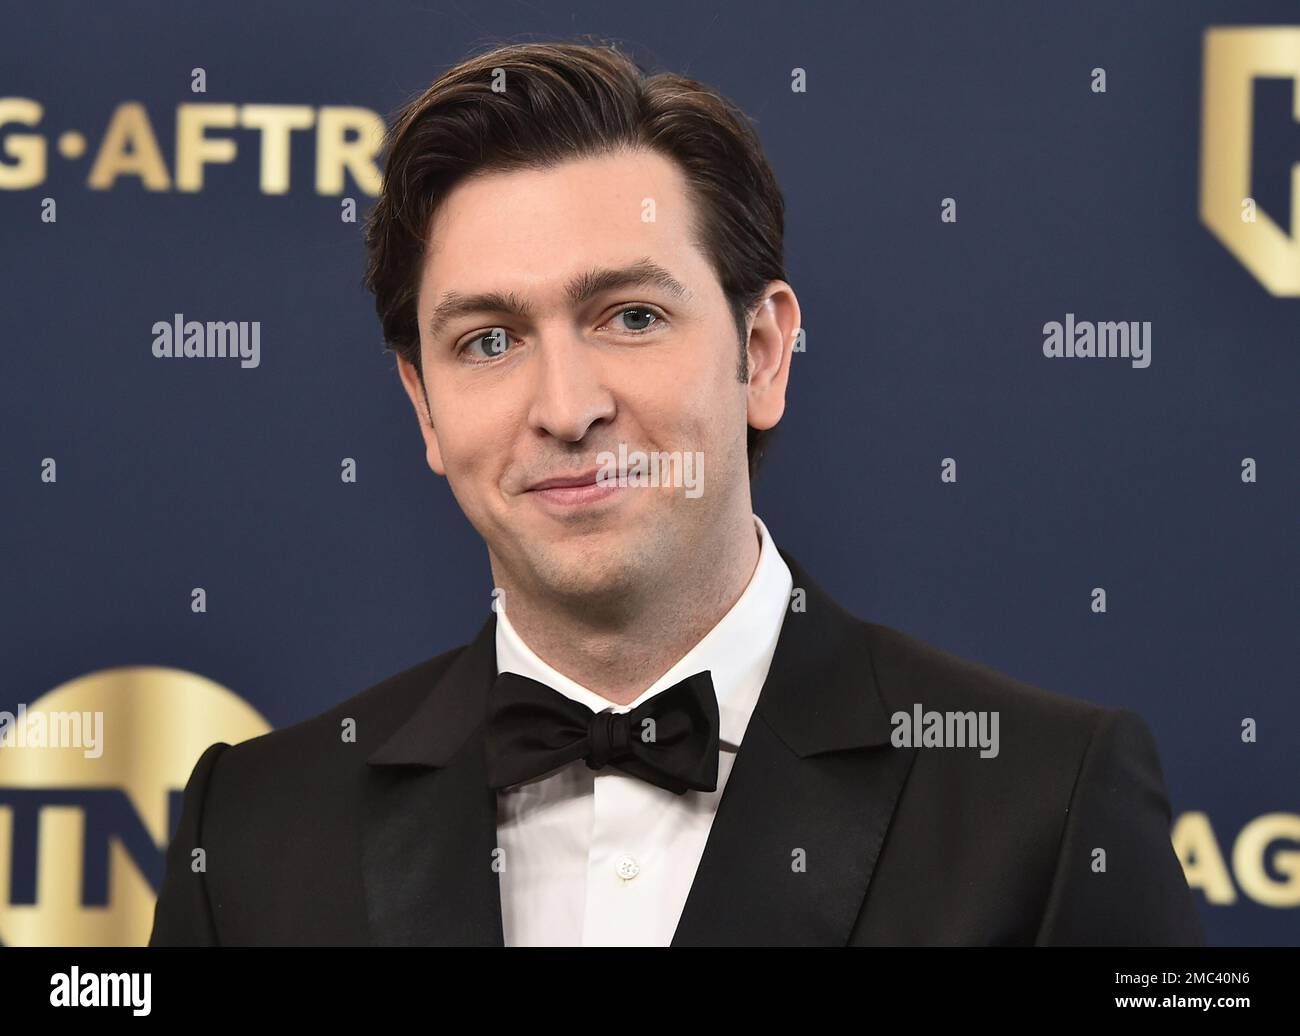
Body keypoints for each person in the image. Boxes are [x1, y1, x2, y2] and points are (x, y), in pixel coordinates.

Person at [149, 39, 1204, 947]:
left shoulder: (1049, 803)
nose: (566, 407)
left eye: (630, 316)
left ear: (762, 351)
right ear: (424, 409)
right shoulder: (251, 831)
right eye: (489, 341)